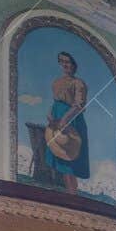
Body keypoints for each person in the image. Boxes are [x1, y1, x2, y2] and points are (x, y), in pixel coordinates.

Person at [43, 51, 90, 193]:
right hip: (57, 117)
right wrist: (50, 114)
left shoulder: (78, 83)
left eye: (68, 62)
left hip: (72, 120)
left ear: (73, 64)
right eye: (62, 61)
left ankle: (72, 194)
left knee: (70, 157)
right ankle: (68, 193)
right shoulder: (57, 82)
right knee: (60, 157)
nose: (65, 65)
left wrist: (64, 120)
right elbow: (56, 101)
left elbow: (78, 105)